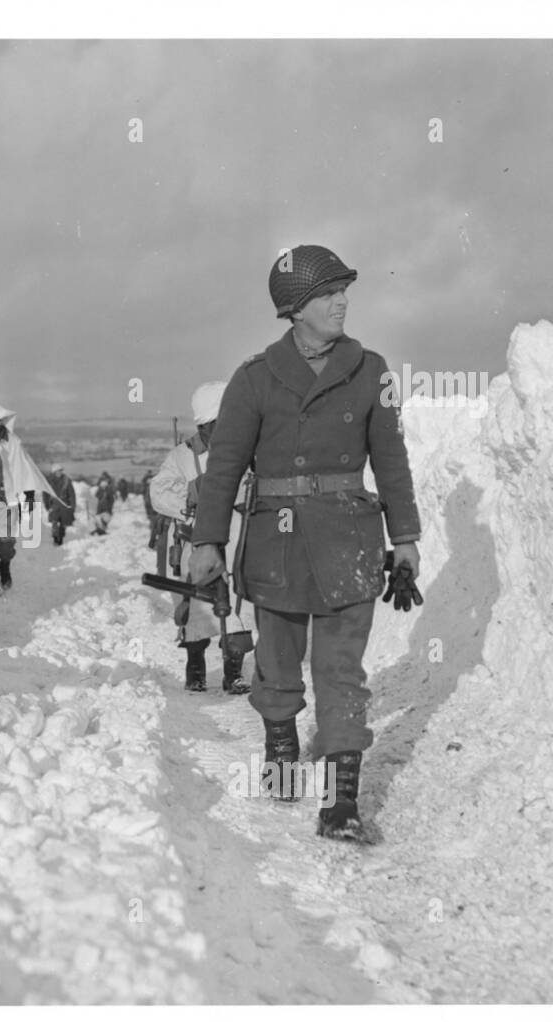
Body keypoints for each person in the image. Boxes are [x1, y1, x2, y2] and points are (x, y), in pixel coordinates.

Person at [189, 244, 421, 840]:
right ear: (294, 310)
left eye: (343, 289)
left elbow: (391, 462)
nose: (341, 301)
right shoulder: (254, 379)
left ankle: (342, 803)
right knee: (276, 660)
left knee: (341, 669)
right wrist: (208, 541)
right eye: (326, 294)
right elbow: (223, 468)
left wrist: (406, 538)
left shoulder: (373, 371)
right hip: (277, 542)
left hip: (350, 538)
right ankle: (283, 755)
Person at [150, 382, 250, 694]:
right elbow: (159, 493)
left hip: (235, 538)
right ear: (205, 425)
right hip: (193, 540)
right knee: (196, 607)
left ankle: (233, 672)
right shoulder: (181, 457)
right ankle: (195, 668)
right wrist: (196, 491)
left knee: (237, 605)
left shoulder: (246, 451)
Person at [0, 399, 54, 596]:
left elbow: (24, 468)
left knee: (5, 542)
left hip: (6, 498)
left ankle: (5, 565)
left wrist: (30, 494)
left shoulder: (10, 442)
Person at [44, 464, 78, 546]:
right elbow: (45, 494)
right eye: (58, 471)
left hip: (64, 505)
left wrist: (72, 506)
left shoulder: (67, 481)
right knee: (54, 523)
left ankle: (61, 538)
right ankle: (55, 539)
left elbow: (72, 494)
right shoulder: (49, 482)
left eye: (60, 470)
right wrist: (47, 505)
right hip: (54, 505)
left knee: (63, 524)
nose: (60, 472)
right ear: (54, 472)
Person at [93, 471, 116, 535]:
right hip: (100, 506)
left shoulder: (109, 489)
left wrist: (109, 507)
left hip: (106, 507)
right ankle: (99, 529)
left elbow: (112, 499)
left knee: (105, 518)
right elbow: (96, 496)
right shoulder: (100, 489)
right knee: (98, 517)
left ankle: (102, 529)